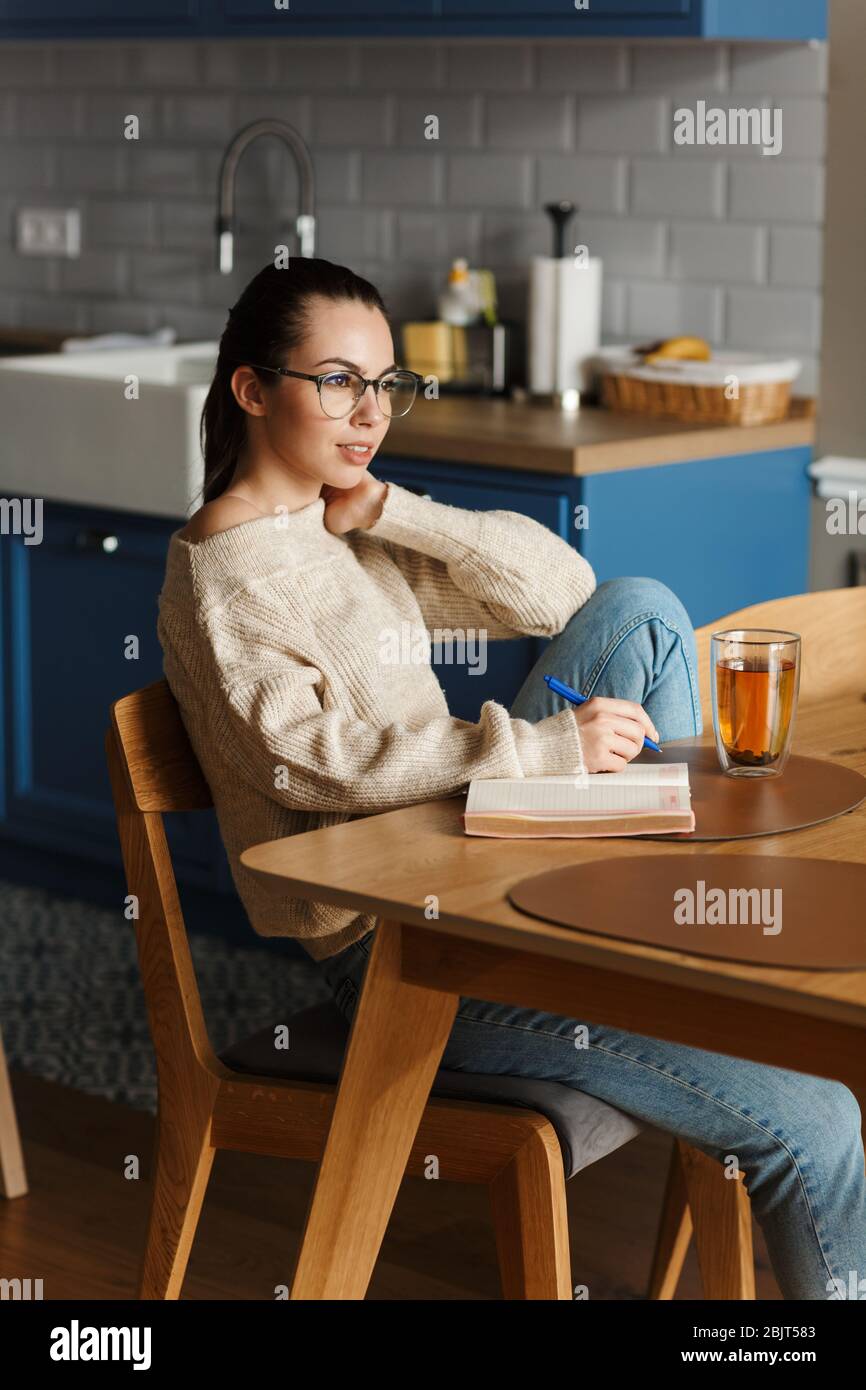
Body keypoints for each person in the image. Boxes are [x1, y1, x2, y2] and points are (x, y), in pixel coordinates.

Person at [157, 258, 866, 1301]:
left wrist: (392, 507)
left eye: (385, 386)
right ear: (253, 389)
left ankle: (664, 927)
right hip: (394, 946)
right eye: (338, 381)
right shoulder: (224, 577)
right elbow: (308, 761)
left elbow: (561, 591)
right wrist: (541, 752)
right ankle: (668, 940)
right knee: (814, 1116)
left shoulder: (332, 525)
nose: (369, 414)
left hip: (464, 854)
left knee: (638, 608)